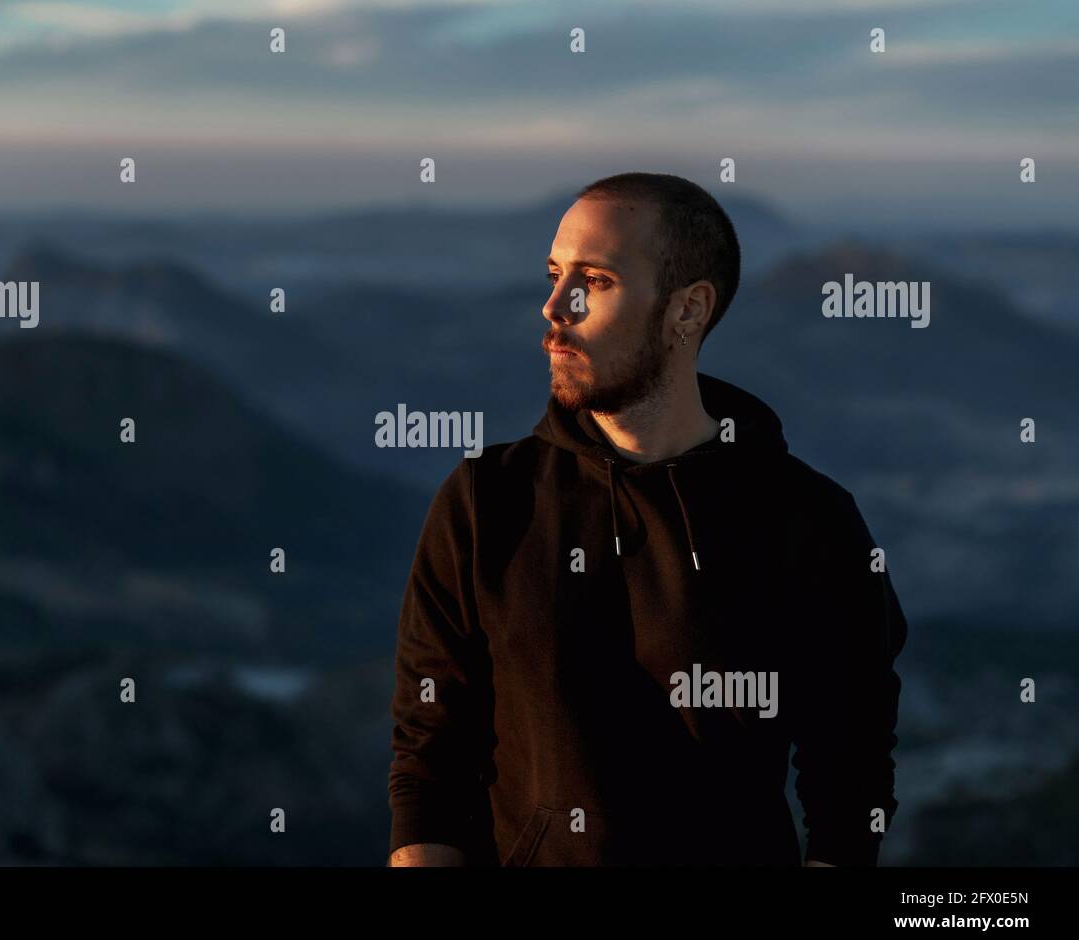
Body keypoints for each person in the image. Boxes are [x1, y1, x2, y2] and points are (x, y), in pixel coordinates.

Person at [386, 172, 907, 867]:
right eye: (553, 273)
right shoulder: (486, 498)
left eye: (594, 280)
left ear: (688, 309)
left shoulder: (807, 518)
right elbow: (431, 751)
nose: (553, 306)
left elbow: (850, 769)